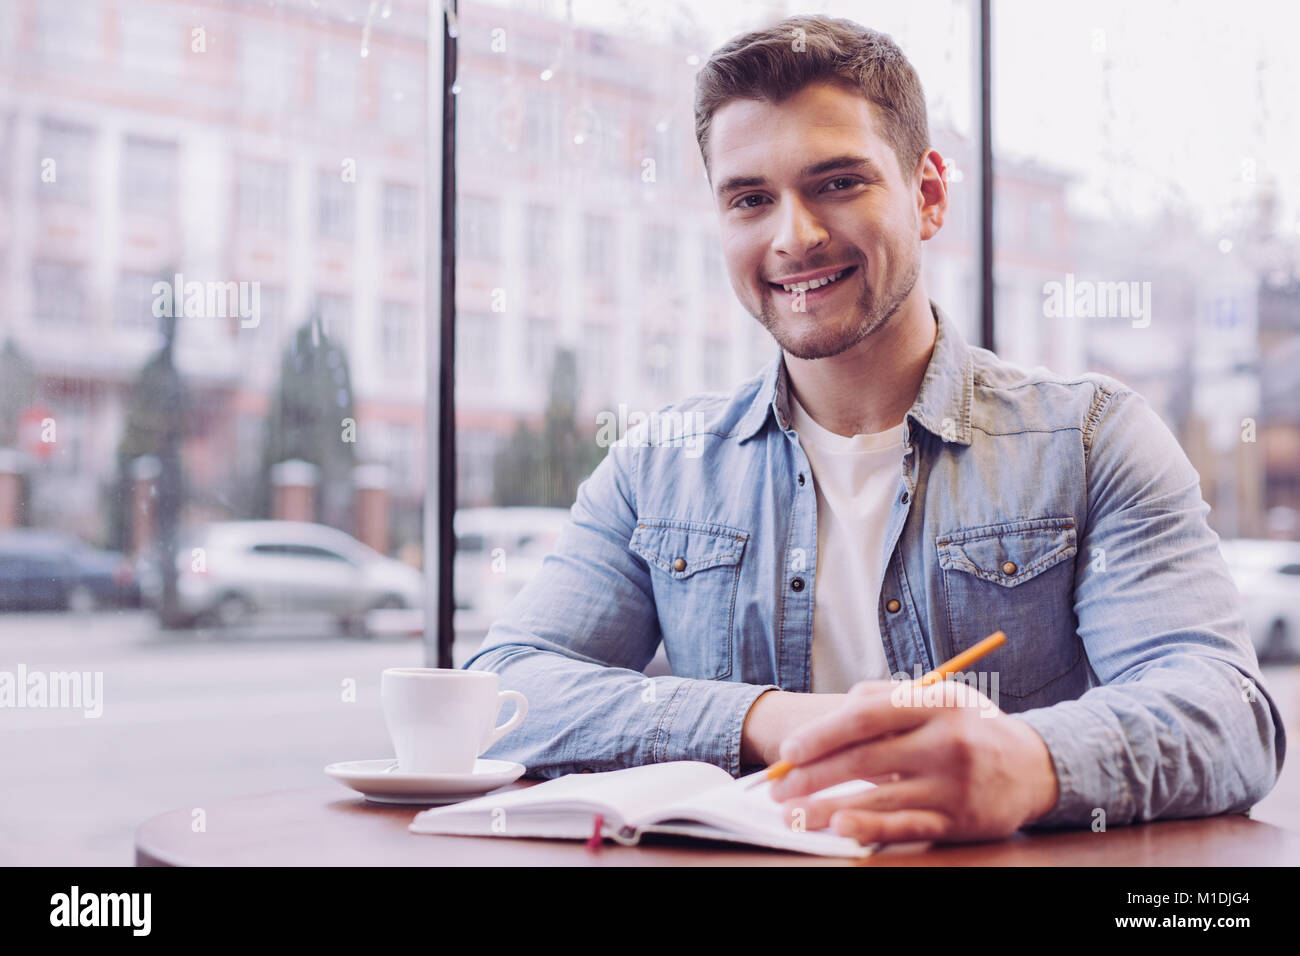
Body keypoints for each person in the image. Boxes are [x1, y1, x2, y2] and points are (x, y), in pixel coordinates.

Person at [464, 14, 1285, 845]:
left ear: (928, 195)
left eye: (837, 183)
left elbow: (1226, 711)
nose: (795, 236)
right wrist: (769, 720)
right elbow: (503, 690)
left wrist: (1031, 763)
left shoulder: (1092, 437)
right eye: (751, 199)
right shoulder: (658, 466)